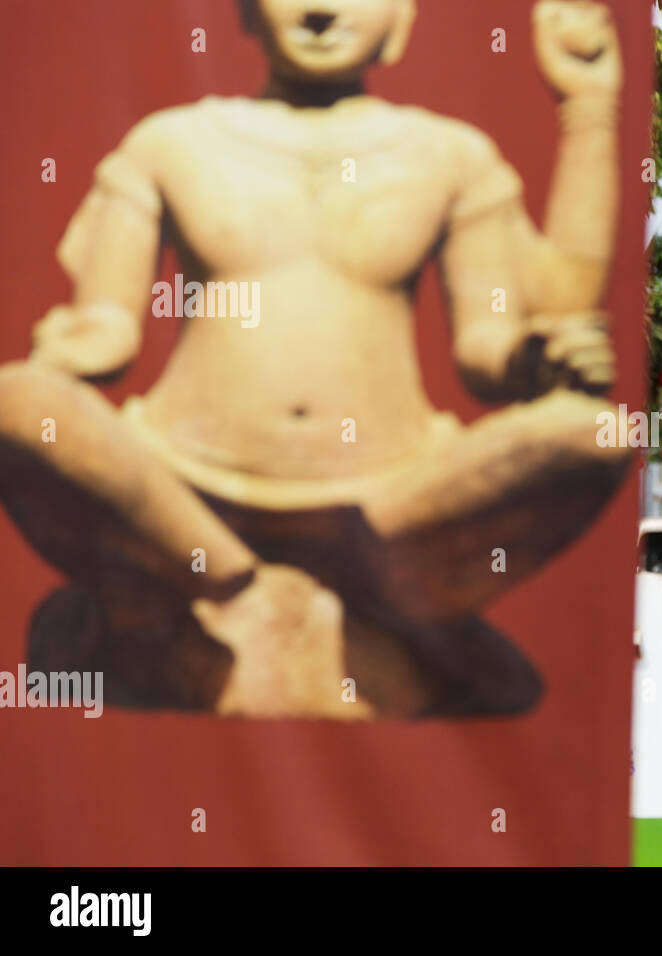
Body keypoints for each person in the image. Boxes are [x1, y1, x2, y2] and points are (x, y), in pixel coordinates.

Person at [0, 0, 628, 718]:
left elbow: (498, 339)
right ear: (242, 11)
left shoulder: (449, 154)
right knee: (17, 403)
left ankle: (340, 583)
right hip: (185, 489)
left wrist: (588, 110)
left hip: (386, 498)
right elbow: (107, 321)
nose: (323, 7)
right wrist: (74, 348)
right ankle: (226, 580)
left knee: (594, 433)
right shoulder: (172, 143)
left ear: (402, 18)